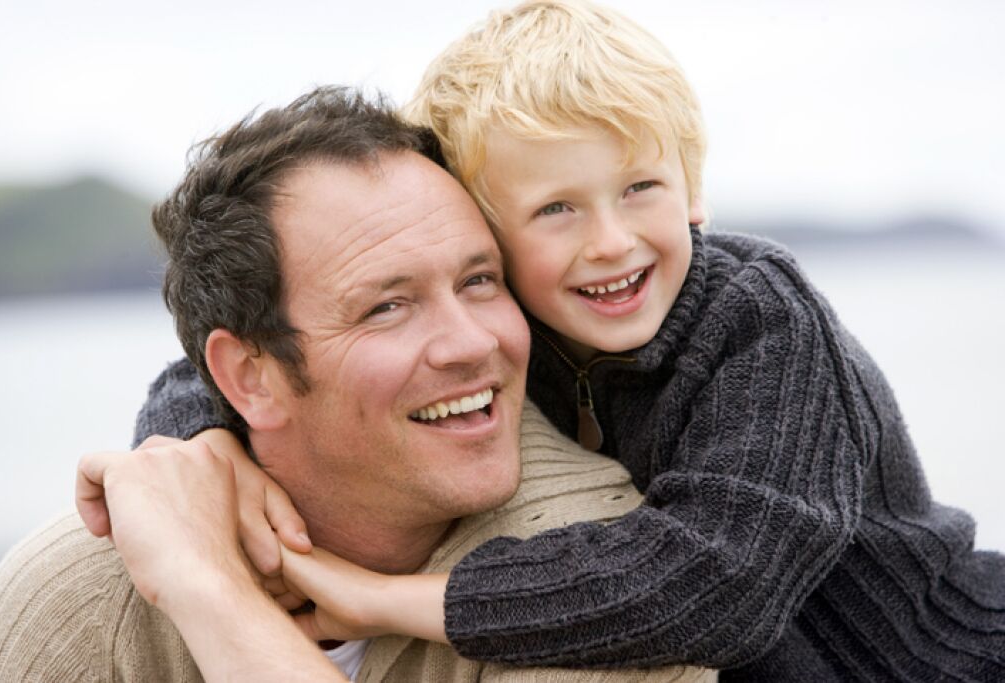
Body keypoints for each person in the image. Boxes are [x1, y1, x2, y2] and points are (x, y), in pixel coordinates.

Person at [132, 1, 1005, 680]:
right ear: (484, 230)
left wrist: (384, 600)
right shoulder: (515, 313)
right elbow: (222, 362)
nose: (612, 242)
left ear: (694, 188)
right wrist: (206, 449)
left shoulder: (759, 322)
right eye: (556, 208)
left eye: (641, 187)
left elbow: (723, 586)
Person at [0, 86, 713, 682]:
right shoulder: (76, 600)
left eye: (479, 281)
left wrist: (209, 589)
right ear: (249, 376)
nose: (472, 342)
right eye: (387, 307)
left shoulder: (609, 582)